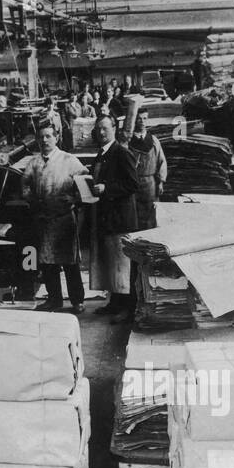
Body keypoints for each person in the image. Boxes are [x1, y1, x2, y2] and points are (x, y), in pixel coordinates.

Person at [20, 123, 89, 313]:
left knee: (70, 263)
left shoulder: (69, 160)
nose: (45, 140)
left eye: (48, 136)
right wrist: (32, 200)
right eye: (41, 137)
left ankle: (77, 301)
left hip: (65, 219)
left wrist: (74, 198)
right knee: (48, 263)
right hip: (44, 219)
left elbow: (86, 183)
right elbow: (25, 184)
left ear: (56, 138)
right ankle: (54, 299)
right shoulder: (34, 163)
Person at [88, 114, 140, 323]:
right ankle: (114, 303)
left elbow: (133, 184)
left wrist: (106, 188)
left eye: (105, 129)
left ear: (114, 129)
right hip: (106, 218)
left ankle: (127, 309)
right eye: (98, 129)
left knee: (122, 266)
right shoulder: (101, 154)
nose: (101, 133)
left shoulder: (121, 153)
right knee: (111, 264)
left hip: (121, 220)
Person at [126, 108, 168, 231]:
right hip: (133, 182)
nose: (142, 122)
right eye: (139, 119)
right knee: (133, 213)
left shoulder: (154, 140)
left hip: (150, 183)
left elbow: (162, 161)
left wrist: (161, 182)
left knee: (150, 213)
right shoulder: (128, 141)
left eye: (145, 118)